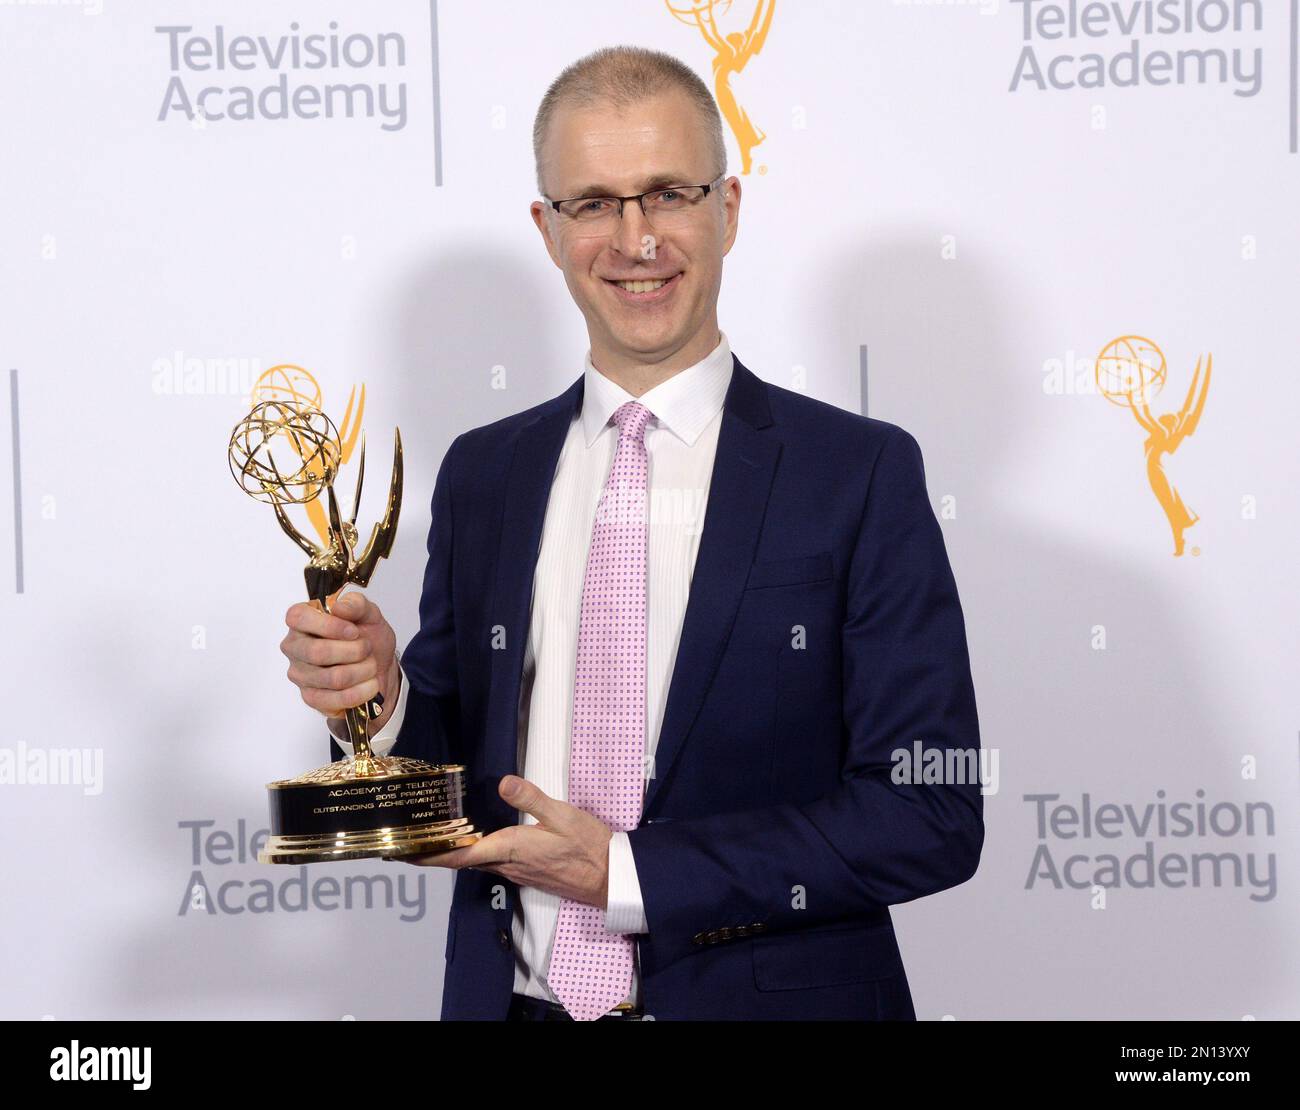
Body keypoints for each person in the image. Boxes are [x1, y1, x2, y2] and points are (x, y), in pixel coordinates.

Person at [281, 45, 983, 1021]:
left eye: (667, 194)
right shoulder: (485, 475)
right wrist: (382, 697)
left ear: (727, 209)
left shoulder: (856, 475)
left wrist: (627, 873)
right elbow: (454, 774)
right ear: (548, 227)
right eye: (595, 203)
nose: (635, 237)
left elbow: (928, 816)